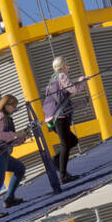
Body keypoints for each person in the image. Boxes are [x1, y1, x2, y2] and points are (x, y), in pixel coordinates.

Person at [0, 94, 31, 220]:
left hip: (2, 152)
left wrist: (22, 137)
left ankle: (9, 198)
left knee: (20, 168)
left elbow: (10, 140)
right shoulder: (0, 116)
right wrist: (16, 134)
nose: (15, 108)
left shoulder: (7, 118)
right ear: (6, 105)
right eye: (13, 105)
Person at [41, 56, 88, 184]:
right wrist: (82, 81)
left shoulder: (51, 81)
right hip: (60, 117)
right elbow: (73, 90)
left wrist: (80, 103)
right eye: (67, 65)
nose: (69, 67)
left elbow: (63, 97)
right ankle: (63, 176)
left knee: (72, 140)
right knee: (66, 144)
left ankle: (56, 161)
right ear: (62, 66)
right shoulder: (61, 76)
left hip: (51, 118)